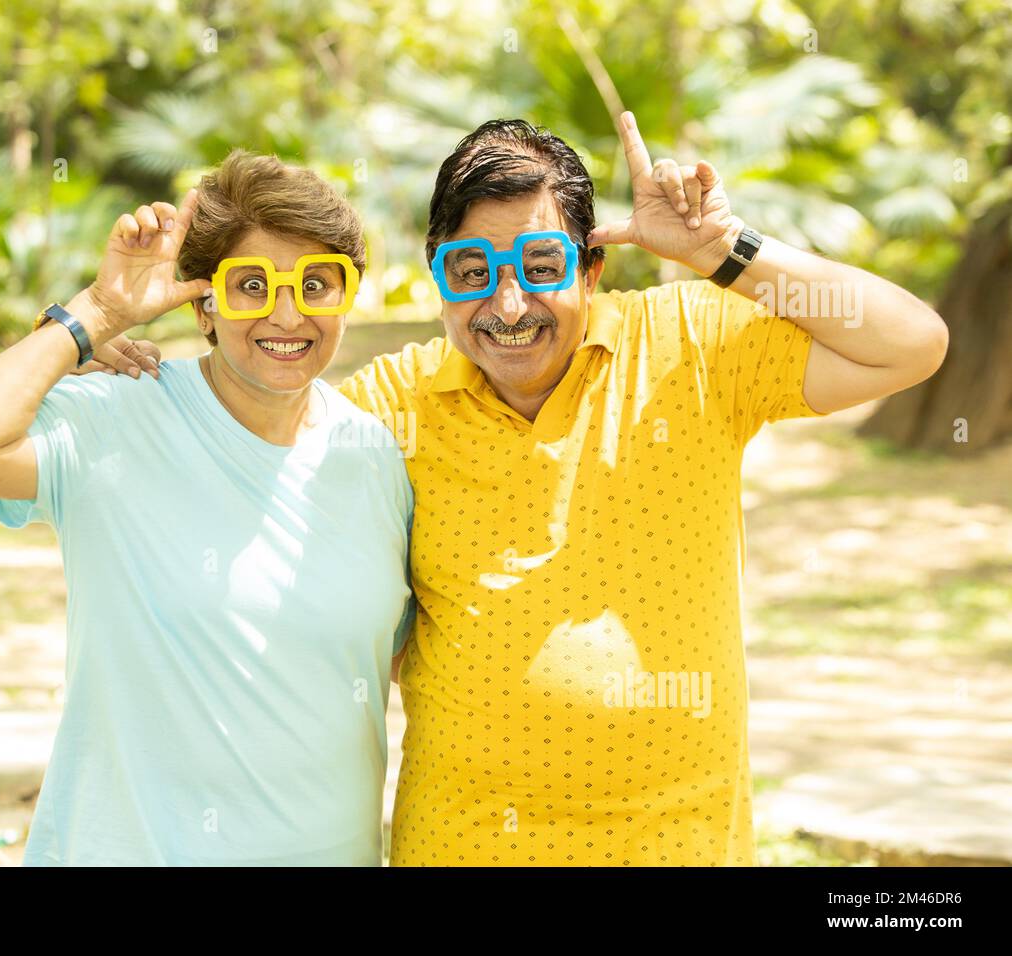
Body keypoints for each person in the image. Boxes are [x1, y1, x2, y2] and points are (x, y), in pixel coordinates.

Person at [107, 111, 948, 866]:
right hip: (462, 845)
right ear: (438, 274)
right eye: (470, 270)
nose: (507, 304)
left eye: (540, 264)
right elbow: (234, 424)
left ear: (590, 269)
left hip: (677, 844)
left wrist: (723, 249)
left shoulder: (694, 343)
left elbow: (908, 344)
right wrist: (94, 333)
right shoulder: (386, 407)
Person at [0, 150, 414, 866]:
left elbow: (395, 658)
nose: (287, 313)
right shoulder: (116, 418)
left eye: (317, 284)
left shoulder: (375, 456)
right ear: (202, 301)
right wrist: (94, 314)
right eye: (251, 286)